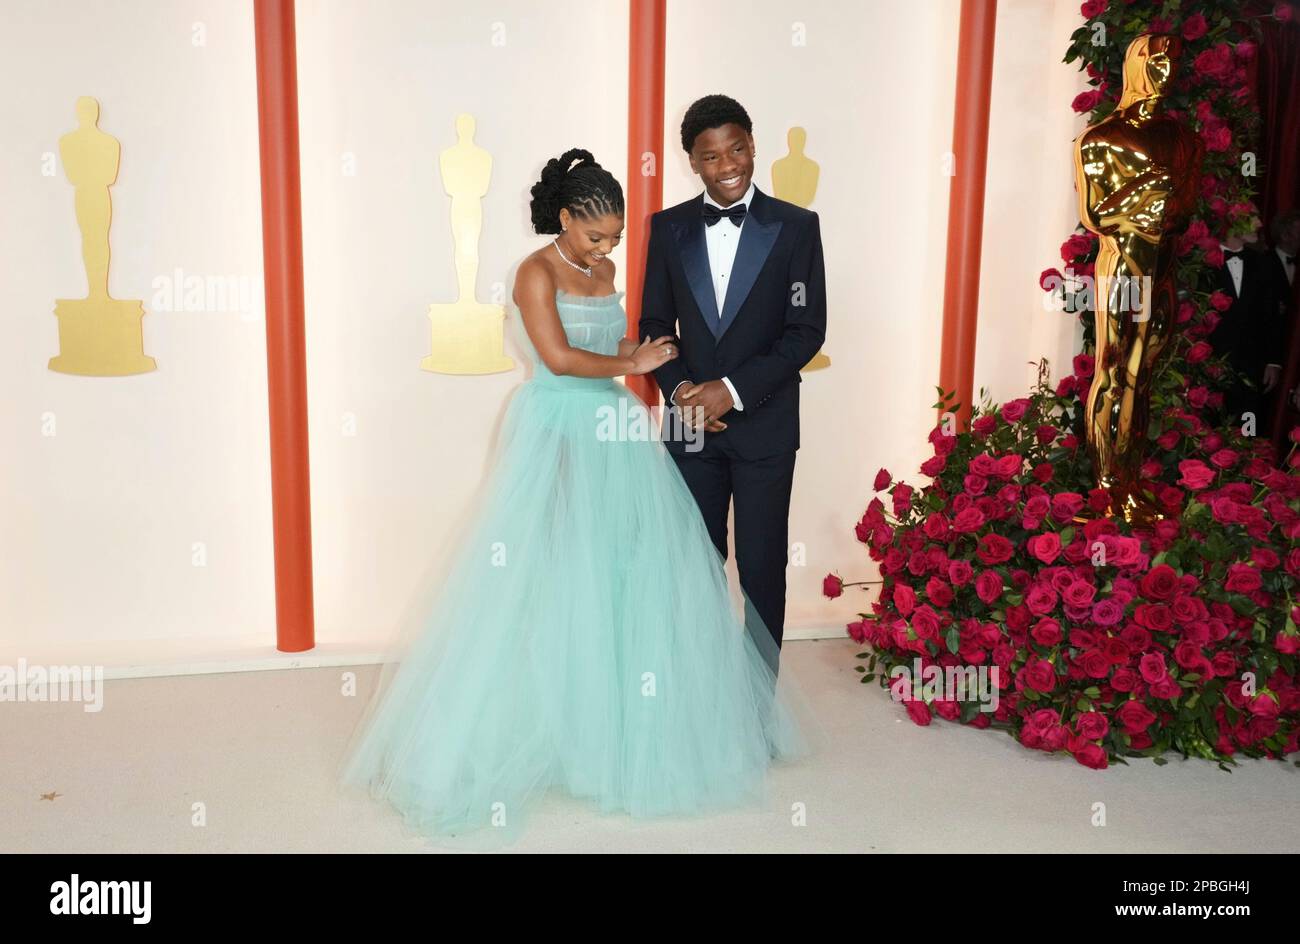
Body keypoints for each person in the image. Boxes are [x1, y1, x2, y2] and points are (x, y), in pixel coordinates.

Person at [336, 148, 811, 848]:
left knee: (626, 565)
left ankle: (611, 723)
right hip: (557, 424)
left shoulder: (607, 270)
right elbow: (557, 357)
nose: (608, 248)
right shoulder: (533, 273)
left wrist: (662, 371)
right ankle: (520, 721)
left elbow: (619, 342)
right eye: (596, 236)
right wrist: (634, 361)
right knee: (541, 564)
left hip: (615, 426)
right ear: (563, 219)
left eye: (615, 236)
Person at [639, 95, 827, 669]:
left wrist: (731, 390)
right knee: (691, 566)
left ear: (752, 144)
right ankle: (698, 699)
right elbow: (653, 325)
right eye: (711, 155)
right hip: (691, 428)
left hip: (765, 427)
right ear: (691, 162)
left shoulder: (796, 227)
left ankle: (757, 707)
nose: (728, 165)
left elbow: (805, 331)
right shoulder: (667, 228)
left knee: (763, 567)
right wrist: (681, 392)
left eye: (737, 149)